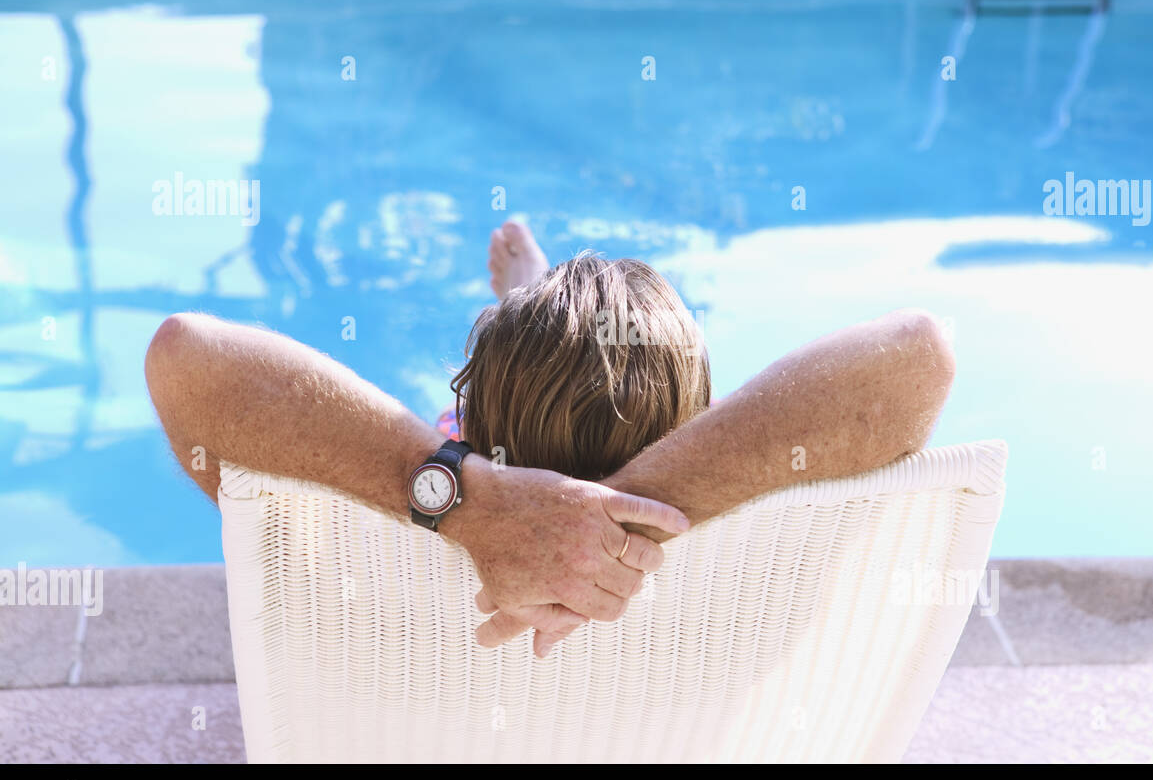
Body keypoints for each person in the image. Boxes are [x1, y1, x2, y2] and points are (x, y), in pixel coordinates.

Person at [145, 219, 955, 658]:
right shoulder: (750, 550)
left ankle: (522, 318)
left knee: (451, 418)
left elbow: (187, 358)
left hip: (452, 520)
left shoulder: (371, 546)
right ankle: (530, 312)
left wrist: (465, 501)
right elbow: (919, 355)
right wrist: (639, 509)